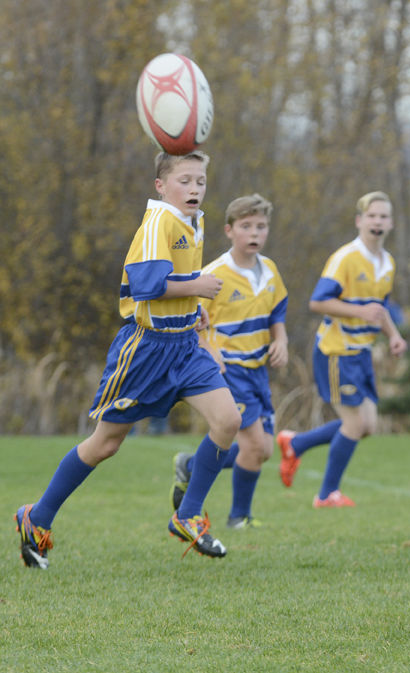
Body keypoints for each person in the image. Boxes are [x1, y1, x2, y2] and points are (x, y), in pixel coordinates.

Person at [15, 151, 241, 568]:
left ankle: (188, 515)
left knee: (228, 420)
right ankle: (36, 518)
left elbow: (176, 283)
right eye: (185, 181)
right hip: (146, 351)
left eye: (201, 182)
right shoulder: (158, 223)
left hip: (184, 346)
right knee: (105, 444)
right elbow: (147, 284)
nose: (194, 189)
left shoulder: (195, 220)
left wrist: (194, 305)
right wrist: (197, 284)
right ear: (161, 185)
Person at [275, 191, 407, 507]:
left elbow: (380, 307)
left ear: (390, 223)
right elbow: (318, 301)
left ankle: (296, 442)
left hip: (360, 352)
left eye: (383, 216)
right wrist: (360, 313)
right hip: (336, 350)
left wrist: (393, 335)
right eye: (372, 215)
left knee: (368, 426)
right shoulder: (346, 258)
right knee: (354, 423)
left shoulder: (387, 262)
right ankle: (326, 494)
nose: (378, 221)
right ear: (360, 221)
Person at [170, 193, 289, 529]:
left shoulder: (270, 271)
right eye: (246, 226)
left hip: (257, 371)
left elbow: (277, 312)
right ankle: (239, 517)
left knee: (263, 450)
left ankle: (192, 466)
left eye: (261, 226)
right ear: (229, 230)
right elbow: (193, 319)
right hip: (228, 371)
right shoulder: (214, 274)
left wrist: (281, 340)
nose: (255, 233)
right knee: (252, 444)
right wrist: (211, 350)